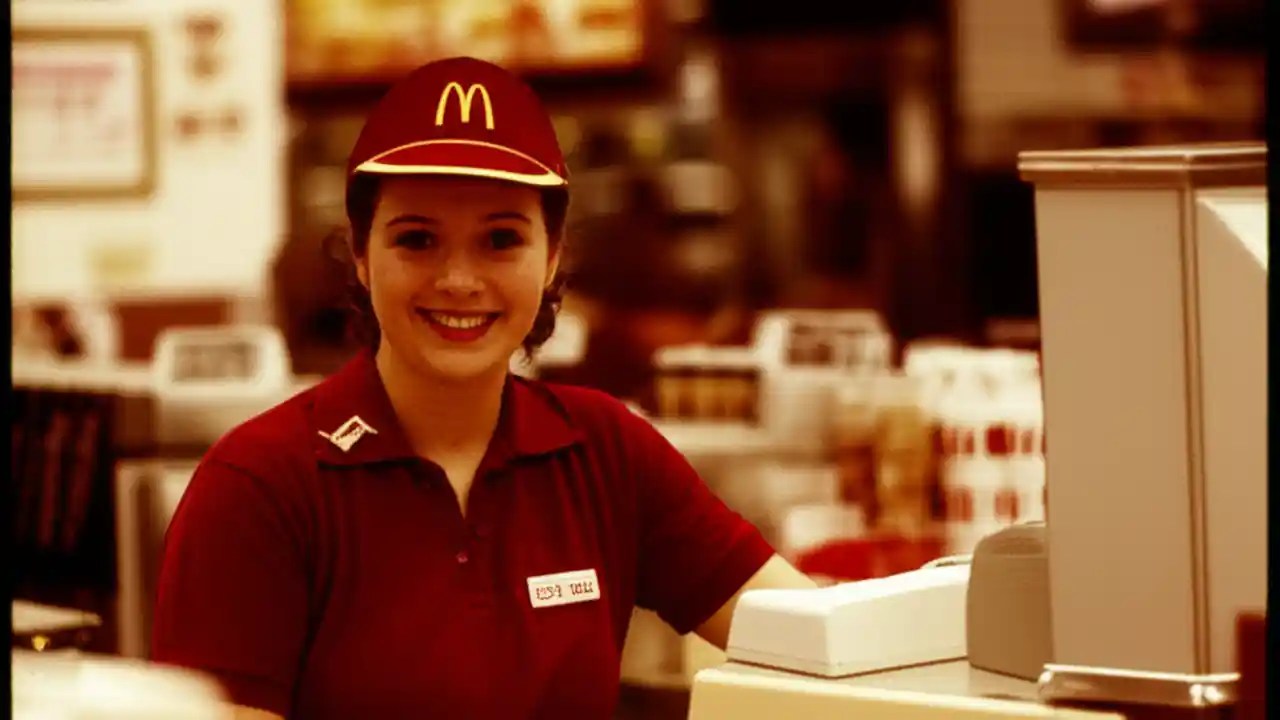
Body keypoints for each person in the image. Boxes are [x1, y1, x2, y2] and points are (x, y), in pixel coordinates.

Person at [151, 56, 815, 720]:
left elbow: (815, 639)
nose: (460, 280)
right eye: (417, 239)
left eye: (500, 239)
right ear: (360, 254)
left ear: (553, 256)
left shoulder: (608, 452)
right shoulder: (260, 486)